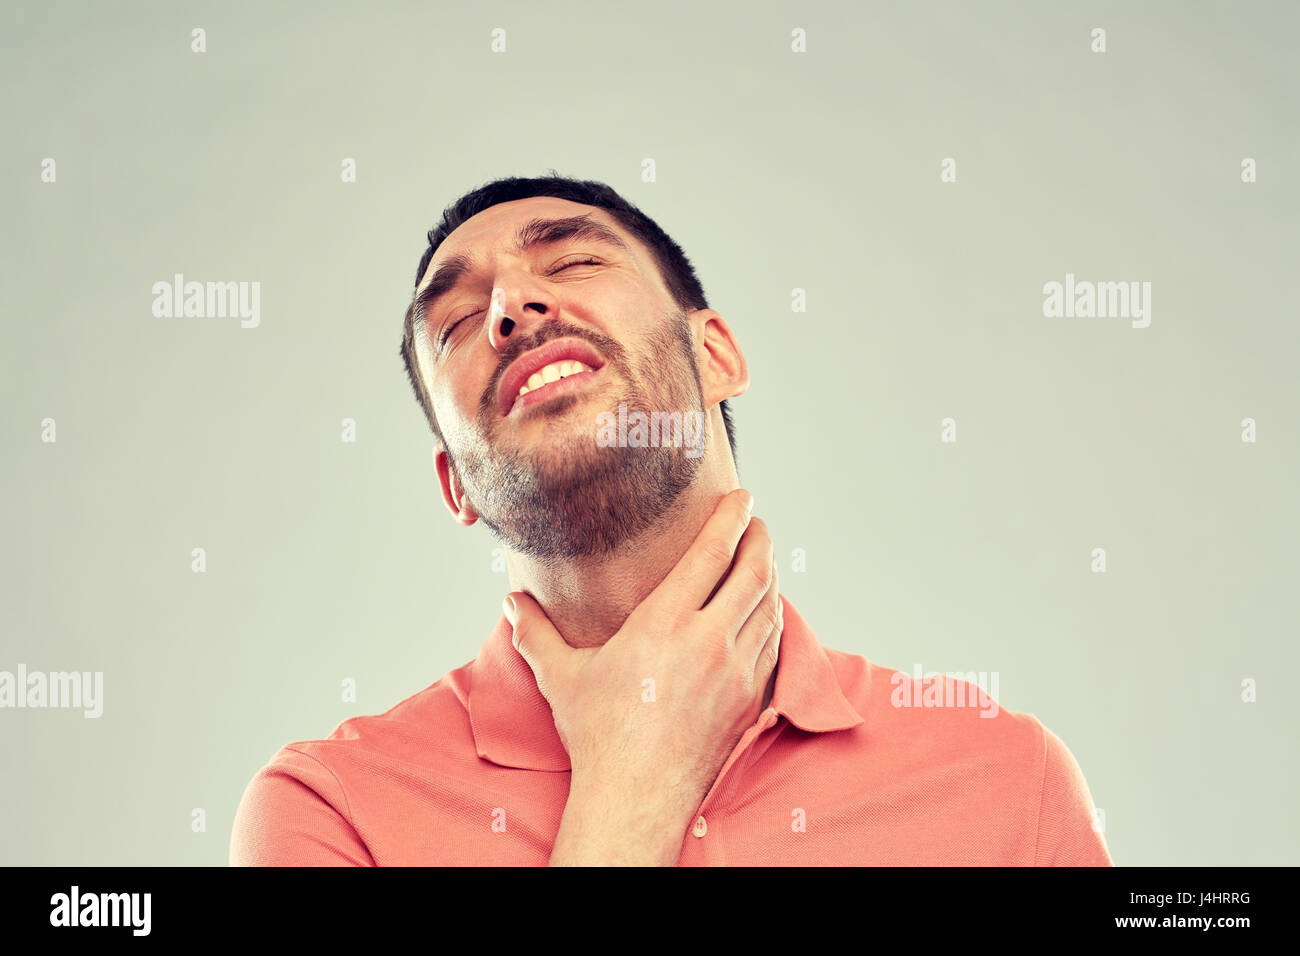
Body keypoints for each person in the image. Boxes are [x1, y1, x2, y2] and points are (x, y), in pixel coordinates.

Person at [230, 173, 1113, 866]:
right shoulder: (332, 809)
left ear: (717, 354)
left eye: (573, 263)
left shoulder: (1003, 779)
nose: (511, 310)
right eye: (459, 320)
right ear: (454, 484)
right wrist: (630, 788)